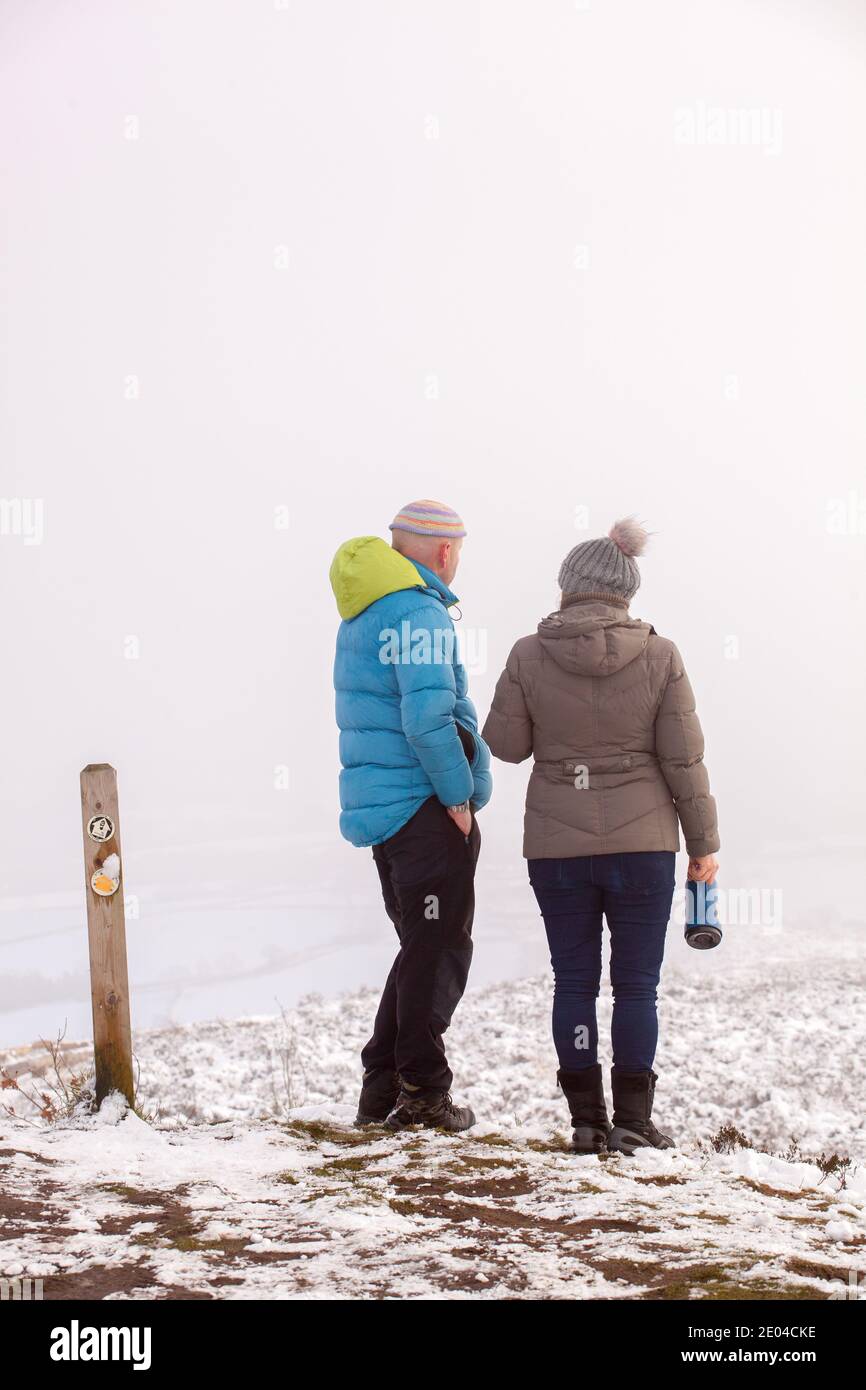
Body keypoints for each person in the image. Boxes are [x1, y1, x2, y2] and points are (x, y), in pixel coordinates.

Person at [482, 519, 719, 1155]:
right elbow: (684, 763)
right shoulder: (663, 655)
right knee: (638, 986)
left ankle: (586, 1122)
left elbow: (505, 747)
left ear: (567, 587)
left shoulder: (529, 653)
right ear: (627, 590)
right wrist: (704, 846)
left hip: (557, 850)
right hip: (644, 846)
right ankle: (635, 1125)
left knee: (574, 982)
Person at [329, 500, 492, 1132]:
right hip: (424, 807)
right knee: (441, 948)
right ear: (445, 552)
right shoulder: (420, 612)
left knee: (420, 947)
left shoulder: (364, 613)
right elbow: (427, 719)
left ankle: (381, 1087)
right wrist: (458, 797)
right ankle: (423, 1092)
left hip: (385, 811)